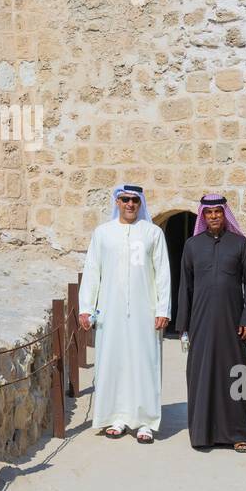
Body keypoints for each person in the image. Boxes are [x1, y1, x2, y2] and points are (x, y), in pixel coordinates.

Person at [77, 185, 171, 445]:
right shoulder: (102, 234)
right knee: (113, 361)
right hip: (111, 310)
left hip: (145, 311)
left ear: (140, 203)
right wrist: (86, 307)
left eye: (135, 200)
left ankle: (145, 422)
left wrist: (163, 309)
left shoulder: (153, 233)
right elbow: (92, 269)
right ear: (117, 202)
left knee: (144, 363)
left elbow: (163, 273)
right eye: (125, 200)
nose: (130, 204)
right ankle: (115, 417)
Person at [179, 194, 246, 452]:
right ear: (203, 215)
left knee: (234, 374)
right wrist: (184, 326)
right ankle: (203, 434)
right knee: (201, 375)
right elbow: (185, 288)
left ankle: (238, 434)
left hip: (233, 322)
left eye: (218, 212)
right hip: (201, 323)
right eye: (209, 212)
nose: (213, 216)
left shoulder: (240, 244)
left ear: (225, 214)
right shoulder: (192, 246)